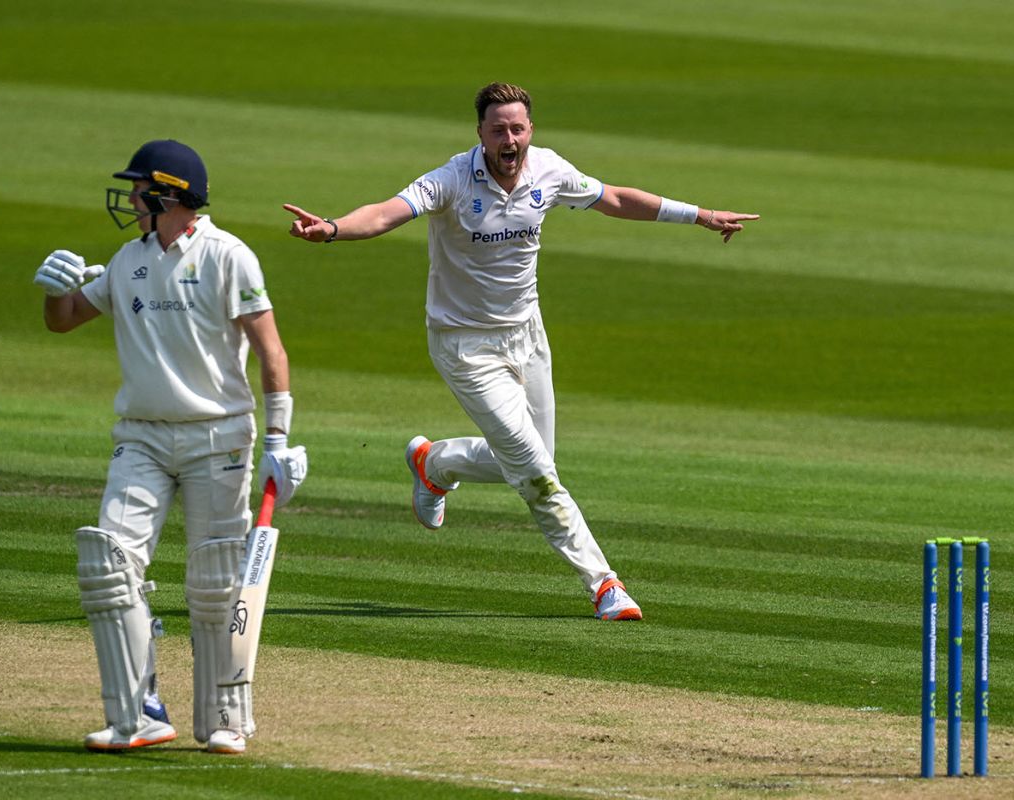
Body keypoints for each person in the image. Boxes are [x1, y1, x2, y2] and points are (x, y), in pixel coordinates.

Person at [284, 82, 758, 621]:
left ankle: (435, 462)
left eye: (518, 128)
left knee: (535, 459)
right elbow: (388, 213)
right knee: (536, 473)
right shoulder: (452, 180)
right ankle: (604, 584)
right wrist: (332, 230)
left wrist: (697, 214)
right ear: (480, 135)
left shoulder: (549, 170)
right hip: (465, 345)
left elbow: (616, 199)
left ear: (530, 130)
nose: (509, 139)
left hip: (527, 336)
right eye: (497, 130)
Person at [34, 139, 307, 753]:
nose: (130, 199)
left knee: (215, 581)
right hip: (142, 437)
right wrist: (54, 291)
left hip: (220, 438)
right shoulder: (127, 260)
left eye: (138, 190)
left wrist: (281, 439)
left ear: (169, 196)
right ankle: (139, 715)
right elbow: (65, 318)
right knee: (107, 561)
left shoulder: (228, 256)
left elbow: (271, 350)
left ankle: (227, 719)